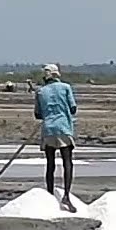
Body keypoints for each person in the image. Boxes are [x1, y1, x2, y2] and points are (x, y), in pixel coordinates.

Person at [33, 63, 78, 211]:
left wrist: (48, 113)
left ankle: (50, 193)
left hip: (48, 129)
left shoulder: (40, 92)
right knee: (67, 162)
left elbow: (37, 114)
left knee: (50, 164)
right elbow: (73, 108)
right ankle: (66, 196)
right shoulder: (65, 88)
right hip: (64, 128)